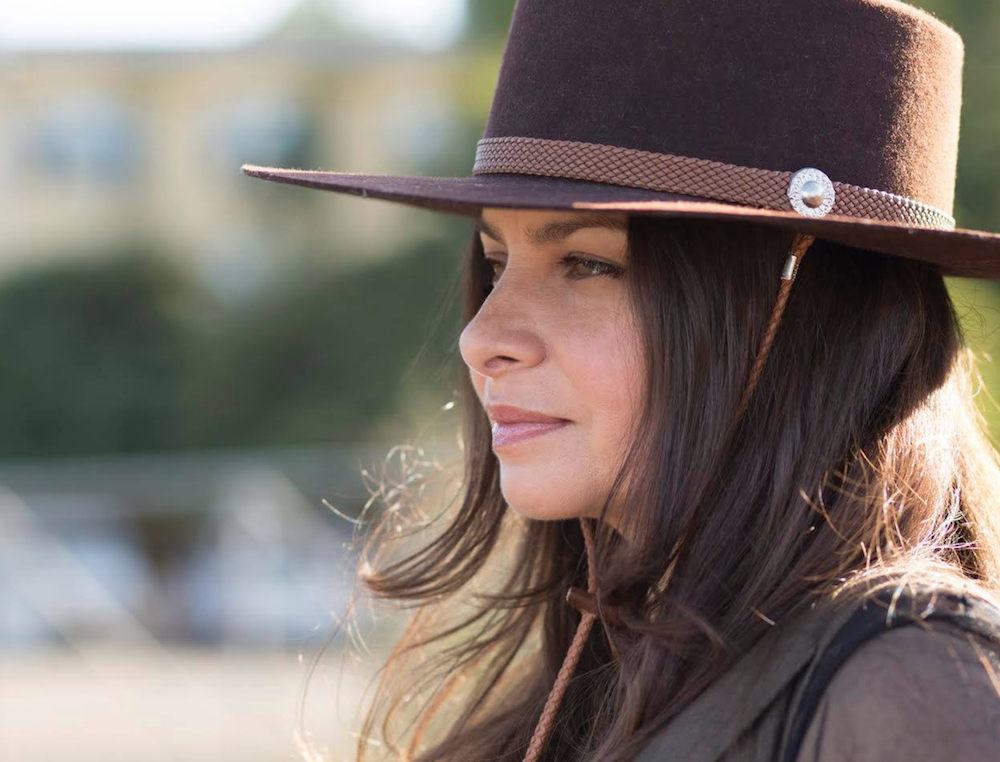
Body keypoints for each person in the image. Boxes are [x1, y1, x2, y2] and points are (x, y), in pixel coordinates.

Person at [241, 1, 1000, 761]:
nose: (481, 339)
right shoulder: (599, 676)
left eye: (588, 264)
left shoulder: (909, 682)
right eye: (497, 265)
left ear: (802, 312)